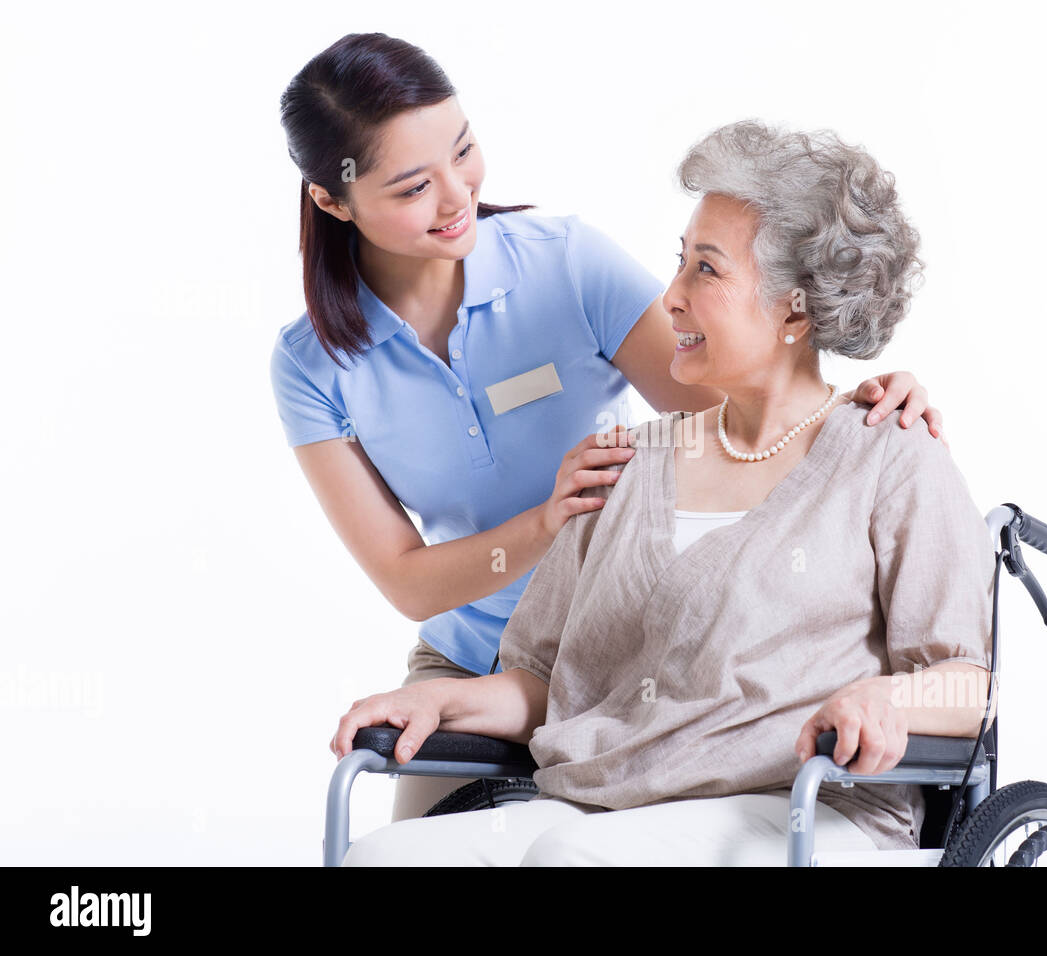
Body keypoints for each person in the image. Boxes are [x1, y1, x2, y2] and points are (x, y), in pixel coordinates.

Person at [273, 33, 944, 824]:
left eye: (464, 152)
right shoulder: (311, 365)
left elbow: (739, 409)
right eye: (415, 186)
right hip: (477, 658)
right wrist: (547, 524)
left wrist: (851, 409)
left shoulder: (566, 266)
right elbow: (404, 577)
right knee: (410, 847)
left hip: (629, 651)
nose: (458, 197)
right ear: (332, 198)